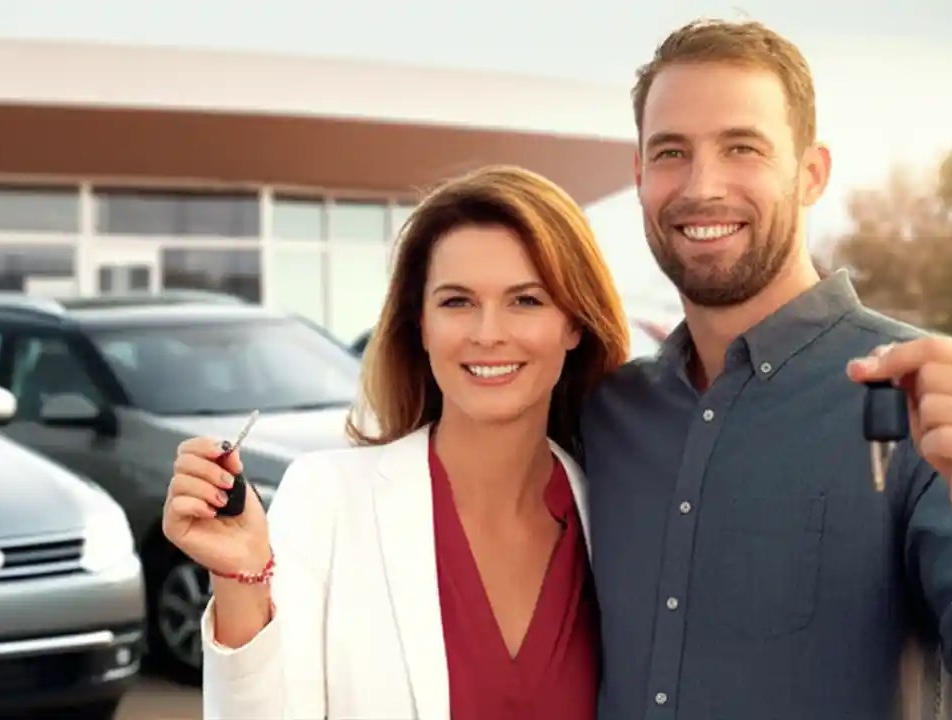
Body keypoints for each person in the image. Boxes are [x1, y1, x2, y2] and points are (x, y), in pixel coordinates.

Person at [578, 18, 952, 720]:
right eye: (671, 152)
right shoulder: (606, 413)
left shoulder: (920, 400)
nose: (702, 185)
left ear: (811, 174)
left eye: (742, 147)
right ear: (641, 177)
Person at [162, 165, 632, 718]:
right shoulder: (328, 500)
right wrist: (240, 581)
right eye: (457, 301)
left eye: (526, 300)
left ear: (574, 323)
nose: (488, 333)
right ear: (421, 325)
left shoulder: (615, 512)